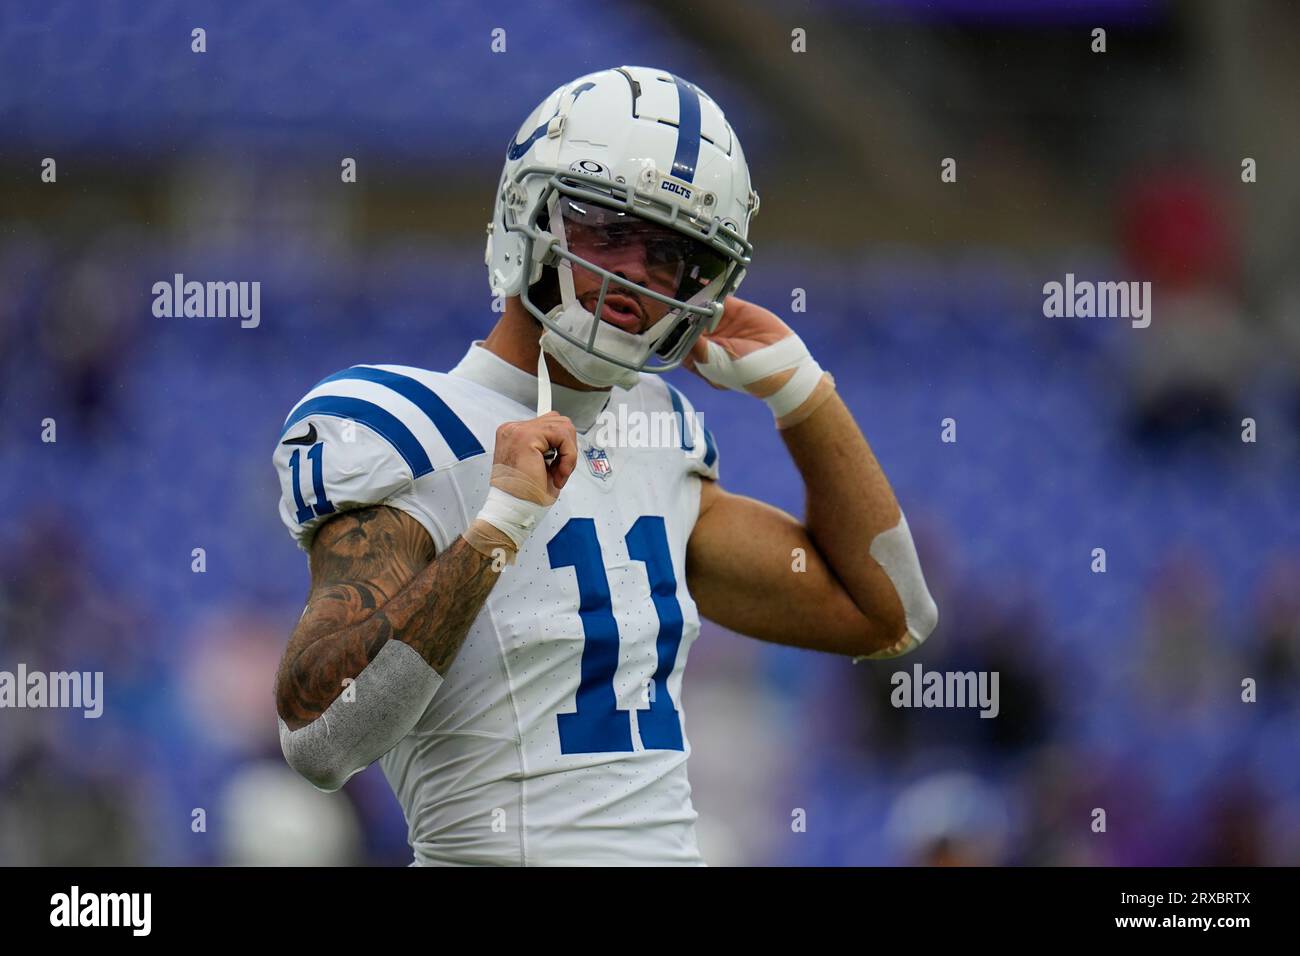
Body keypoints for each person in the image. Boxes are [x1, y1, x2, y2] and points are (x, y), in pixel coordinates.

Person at [271, 65, 937, 865]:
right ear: (529, 214)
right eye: (607, 228)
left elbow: (892, 613)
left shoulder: (662, 433)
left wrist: (806, 397)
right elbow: (318, 737)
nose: (639, 273)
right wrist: (498, 526)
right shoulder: (400, 422)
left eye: (673, 253)